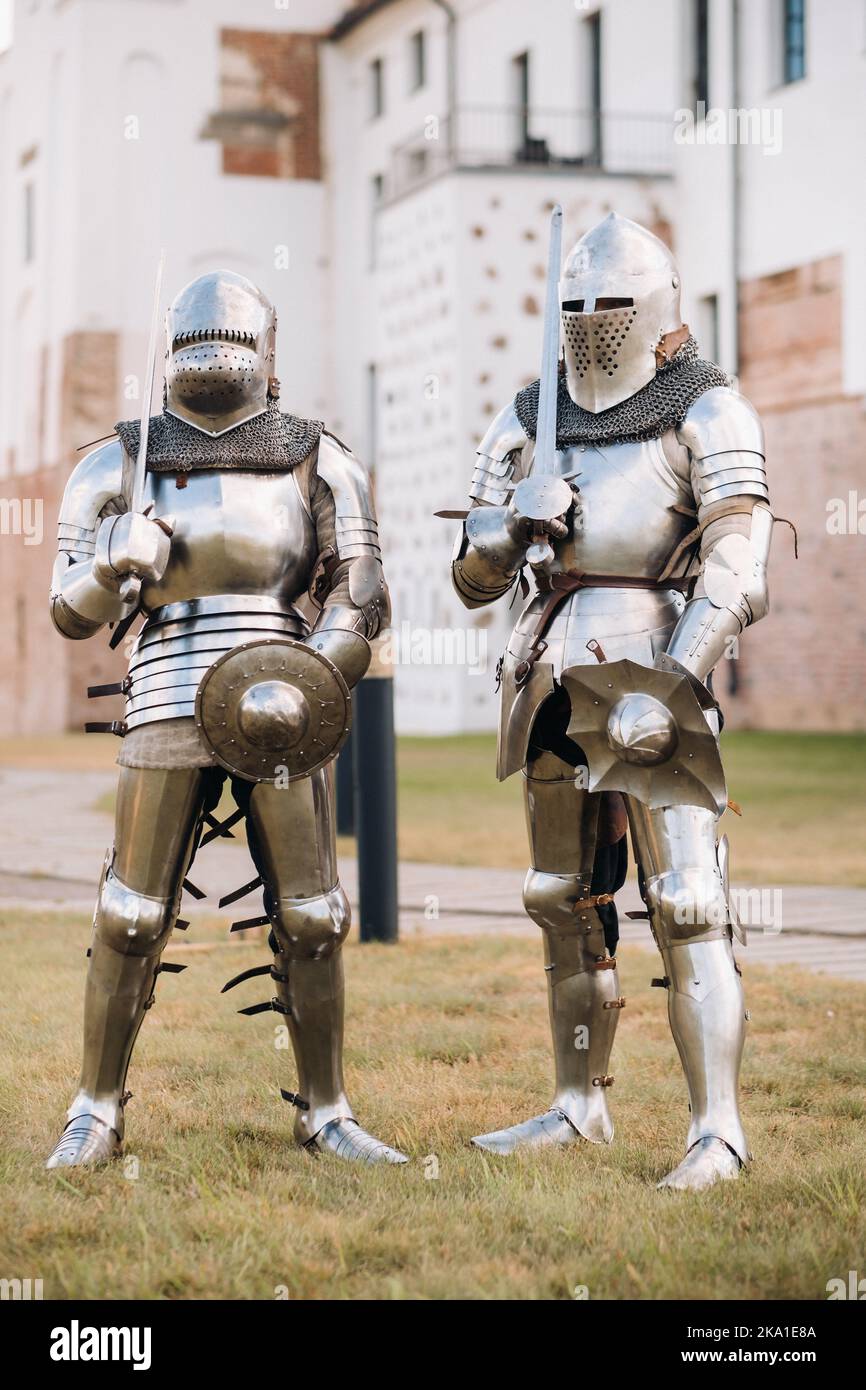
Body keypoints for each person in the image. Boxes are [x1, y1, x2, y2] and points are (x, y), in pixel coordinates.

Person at [46, 270, 406, 1168]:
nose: (215, 350)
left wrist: (314, 676)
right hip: (166, 683)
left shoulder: (315, 454)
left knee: (316, 915)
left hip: (283, 695)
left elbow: (358, 591)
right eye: (199, 335)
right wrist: (110, 566)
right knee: (130, 914)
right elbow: (68, 609)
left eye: (233, 336)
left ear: (268, 353)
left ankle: (325, 1109)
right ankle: (95, 1110)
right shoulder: (116, 461)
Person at [451, 214, 773, 1191]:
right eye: (573, 307)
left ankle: (715, 1130)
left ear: (658, 313)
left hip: (654, 660)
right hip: (548, 667)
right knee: (563, 902)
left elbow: (736, 563)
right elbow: (467, 580)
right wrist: (511, 530)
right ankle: (575, 1104)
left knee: (685, 900)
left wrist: (674, 678)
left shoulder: (706, 409)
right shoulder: (524, 415)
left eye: (609, 306)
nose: (589, 324)